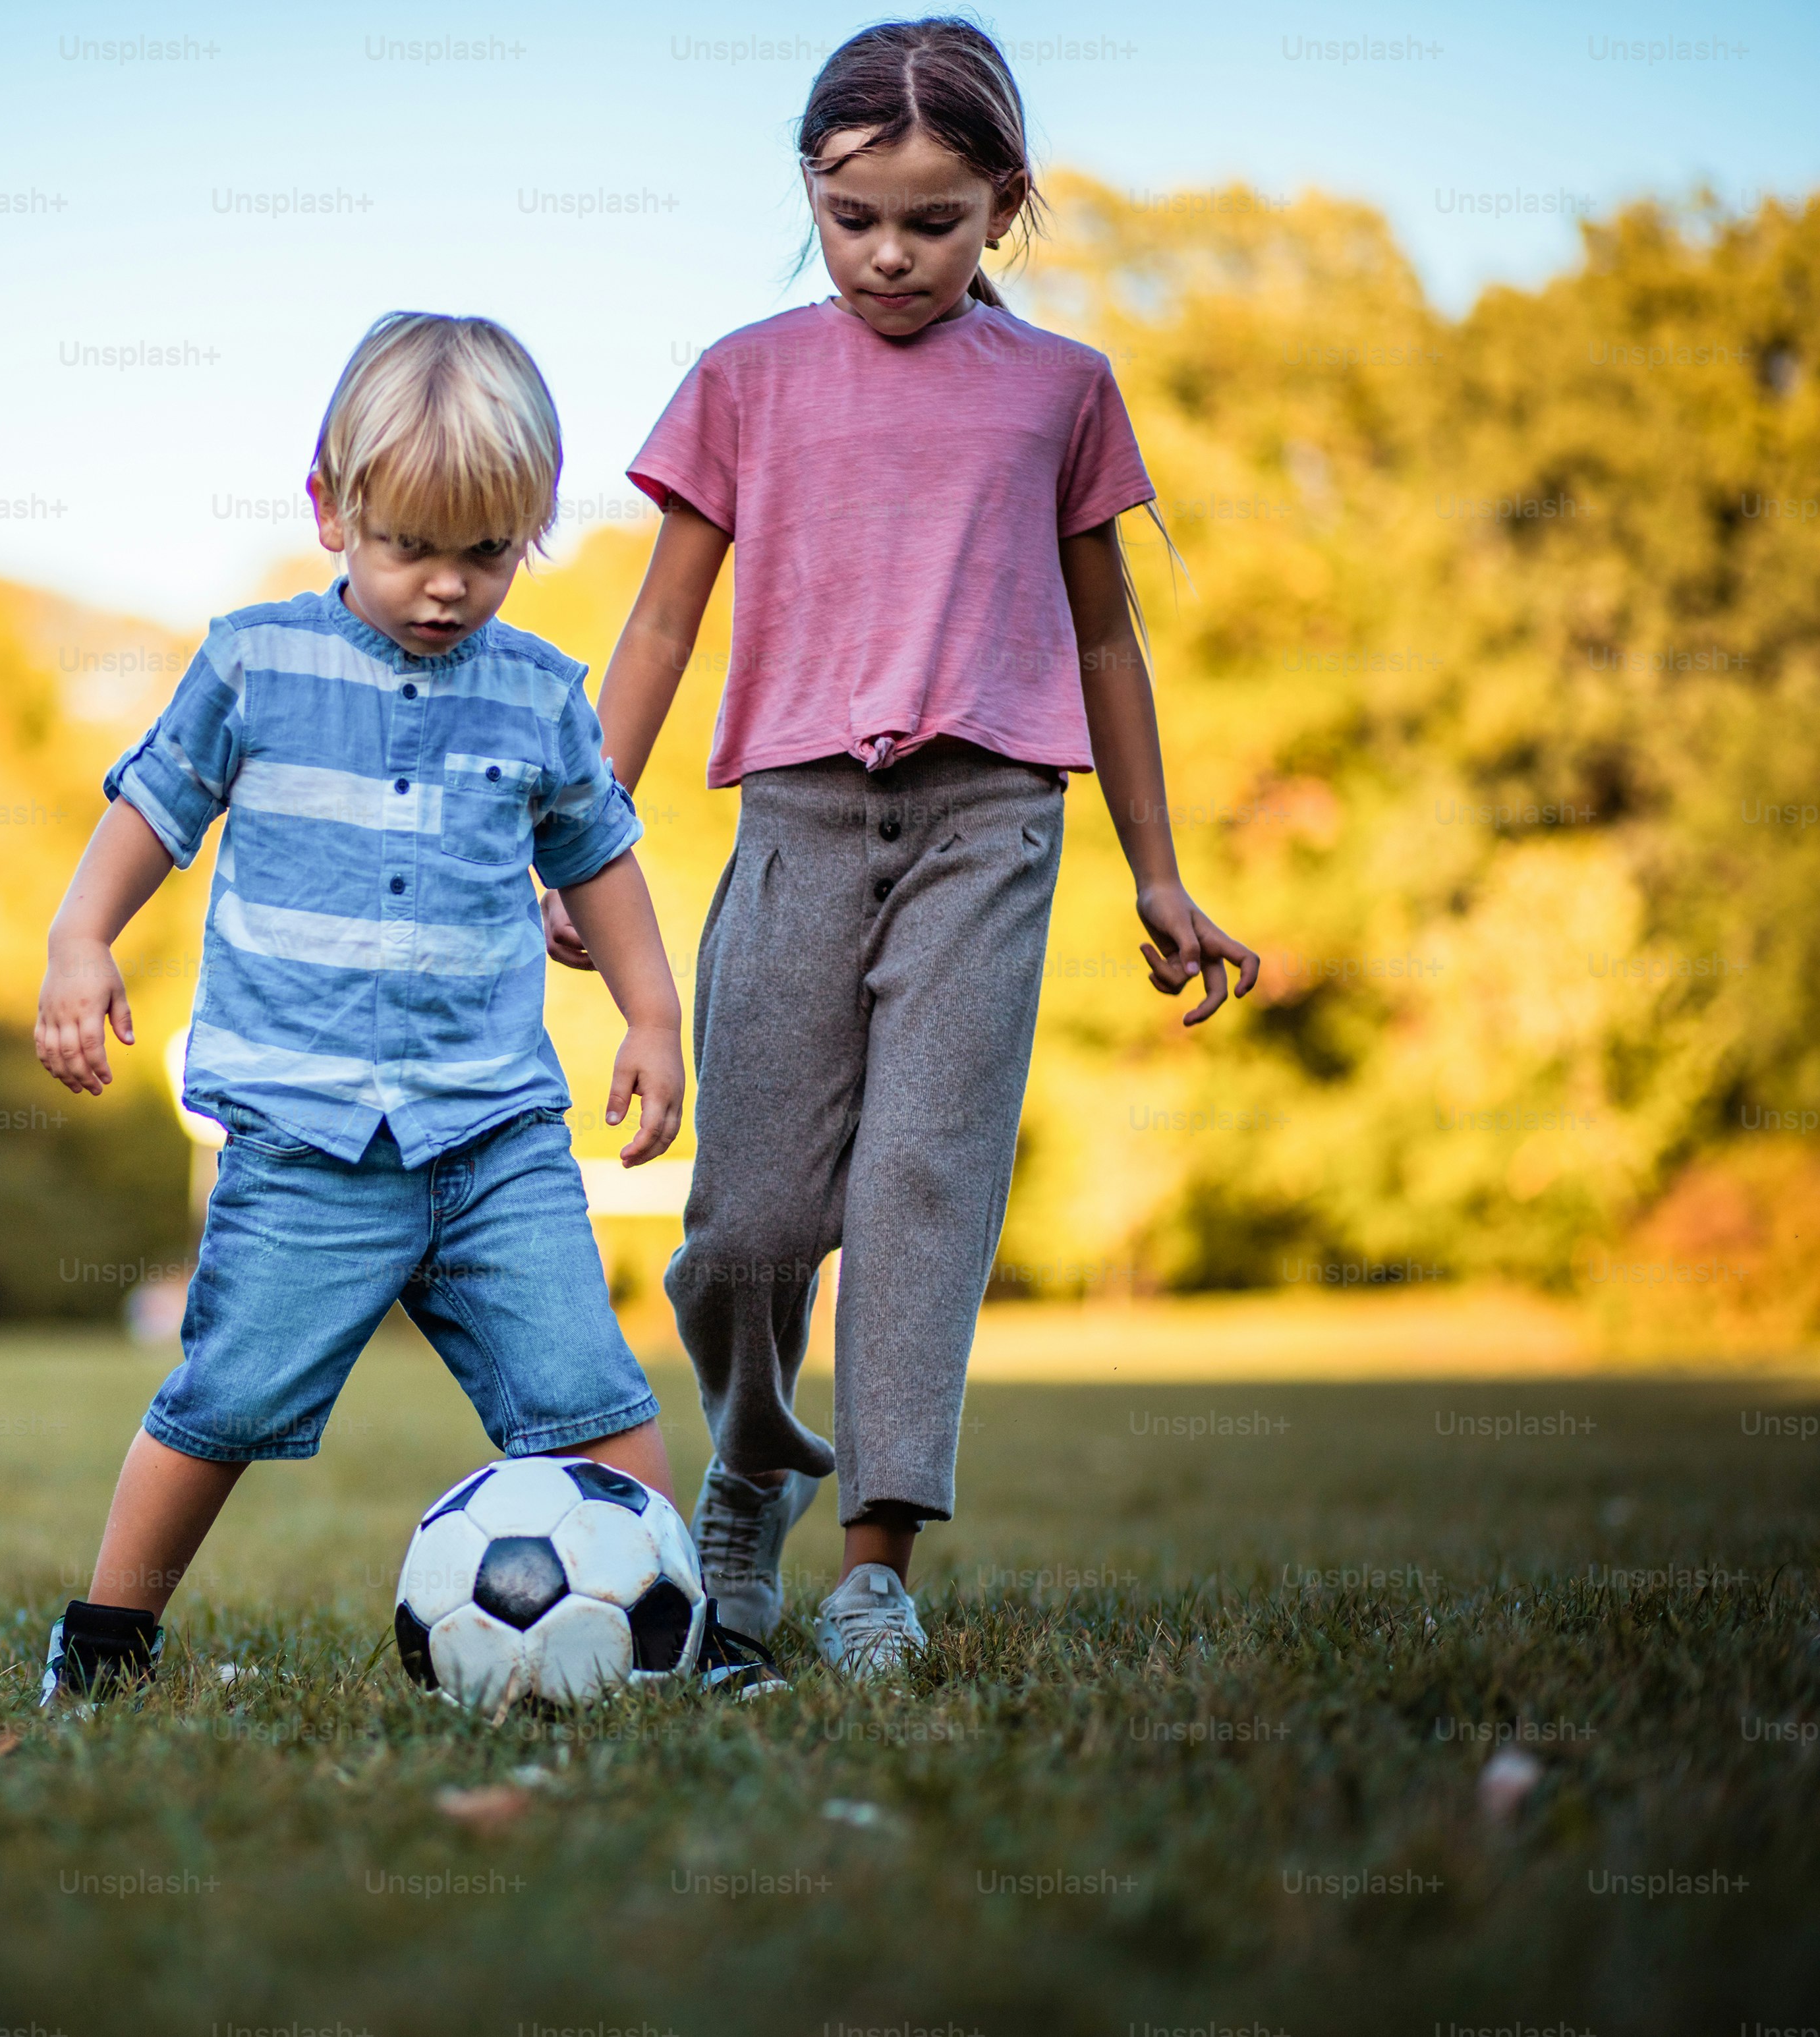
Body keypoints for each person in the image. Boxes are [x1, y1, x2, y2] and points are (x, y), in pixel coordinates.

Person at [542, 18, 1260, 1680]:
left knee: (924, 1189)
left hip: (990, 826)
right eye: (856, 215)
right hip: (791, 819)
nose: (889, 254)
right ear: (811, 186)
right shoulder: (744, 376)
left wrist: (1154, 870)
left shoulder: (1062, 391)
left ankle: (874, 1568)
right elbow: (658, 625)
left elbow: (1106, 647)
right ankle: (750, 1460)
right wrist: (587, 829)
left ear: (1005, 206)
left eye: (934, 222)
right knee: (747, 1222)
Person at [32, 311, 788, 1705]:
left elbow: (601, 857)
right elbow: (151, 810)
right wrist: (83, 938)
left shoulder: (541, 695)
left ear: (533, 532)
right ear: (330, 506)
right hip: (305, 1141)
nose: (447, 586)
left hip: (494, 1137)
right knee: (226, 1400)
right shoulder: (254, 665)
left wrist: (652, 1017)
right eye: (410, 548)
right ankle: (105, 1640)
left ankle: (678, 1645)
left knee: (593, 1396)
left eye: (487, 553)